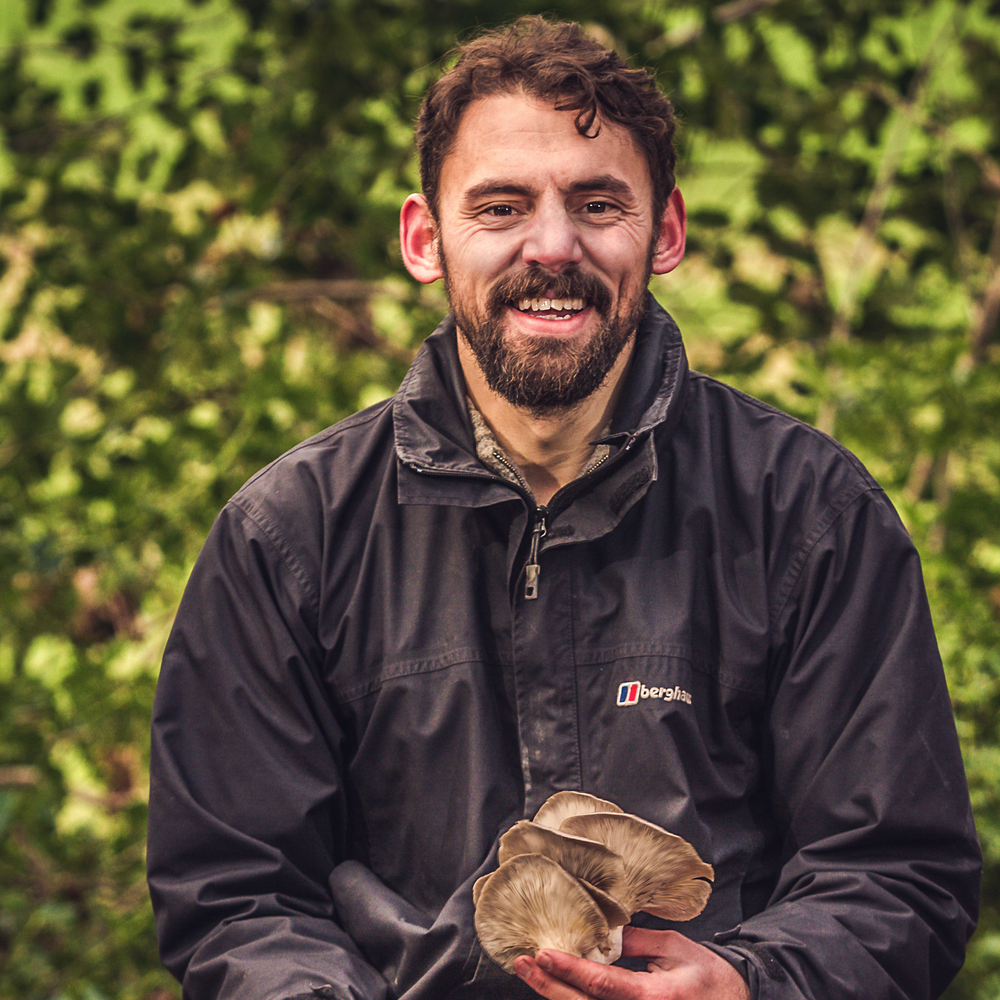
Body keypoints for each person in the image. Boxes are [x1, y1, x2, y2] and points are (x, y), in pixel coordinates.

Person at [147, 17, 981, 1000]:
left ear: (663, 232)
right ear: (425, 238)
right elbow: (236, 895)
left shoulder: (808, 514)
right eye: (500, 207)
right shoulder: (289, 536)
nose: (552, 245)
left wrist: (753, 984)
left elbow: (897, 874)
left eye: (596, 203)